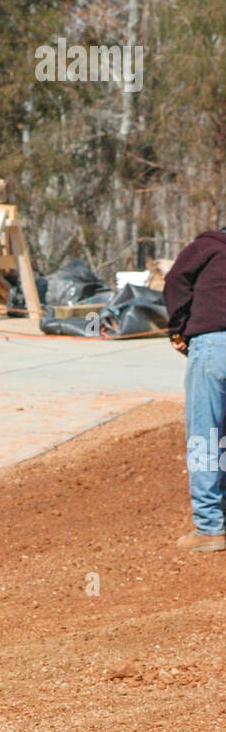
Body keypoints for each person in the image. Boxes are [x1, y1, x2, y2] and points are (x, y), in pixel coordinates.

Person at [164, 230, 226, 551]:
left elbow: (176, 281)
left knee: (206, 435)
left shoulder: (208, 246)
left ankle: (210, 527)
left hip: (213, 344)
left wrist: (178, 327)